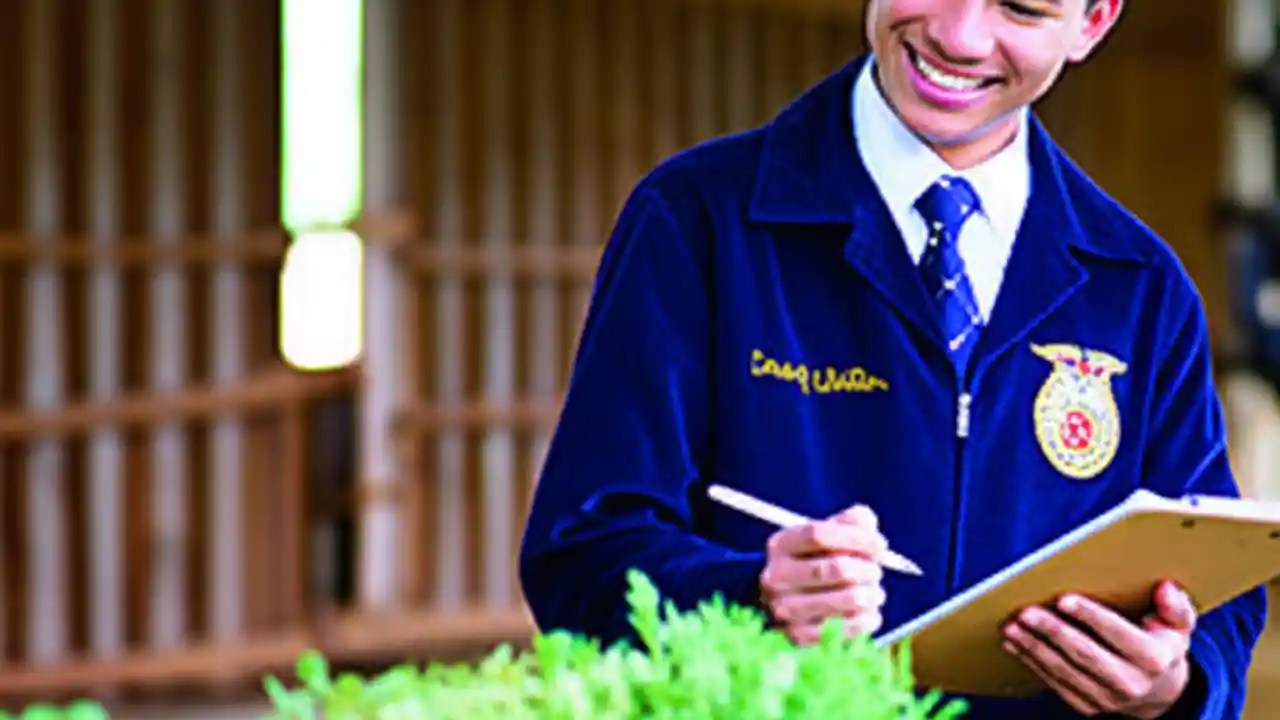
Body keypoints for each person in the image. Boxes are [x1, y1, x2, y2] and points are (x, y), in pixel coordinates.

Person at [518, 0, 1269, 716]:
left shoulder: (1139, 284)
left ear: (1093, 22)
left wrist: (1175, 680)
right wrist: (749, 593)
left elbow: (1216, 590)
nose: (963, 36)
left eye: (1022, 9)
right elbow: (579, 553)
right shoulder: (695, 221)